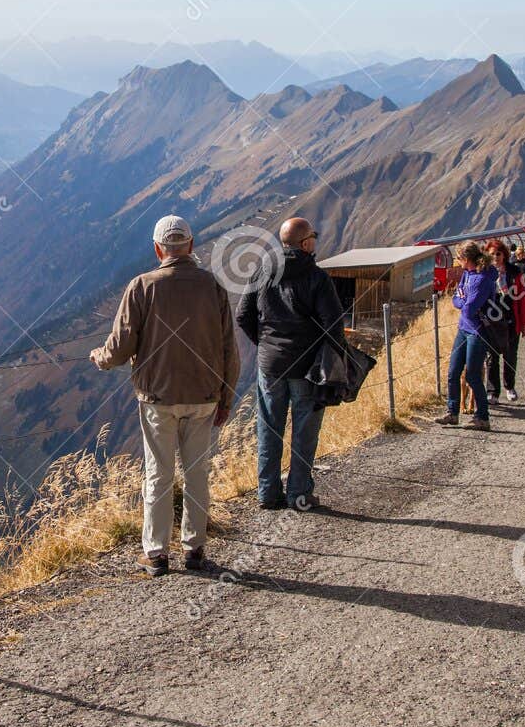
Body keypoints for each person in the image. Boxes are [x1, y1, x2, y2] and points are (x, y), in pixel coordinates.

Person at [93, 215, 239, 576]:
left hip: (158, 397)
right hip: (204, 395)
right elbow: (228, 349)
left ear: (158, 249)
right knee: (197, 472)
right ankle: (194, 549)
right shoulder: (213, 287)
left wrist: (100, 358)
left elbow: (122, 345)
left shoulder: (142, 286)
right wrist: (226, 397)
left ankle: (156, 554)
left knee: (158, 473)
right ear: (190, 246)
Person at [237, 216, 345, 513]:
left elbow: (242, 316)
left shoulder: (262, 271)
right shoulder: (317, 278)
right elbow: (333, 324)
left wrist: (267, 344)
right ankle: (299, 494)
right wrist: (332, 360)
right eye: (314, 236)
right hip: (306, 369)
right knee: (304, 432)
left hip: (270, 366)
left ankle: (267, 494)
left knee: (269, 428)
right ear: (305, 242)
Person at [435, 242, 498, 431]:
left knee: (472, 375)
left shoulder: (482, 278)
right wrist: (463, 299)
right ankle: (452, 412)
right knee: (453, 371)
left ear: (467, 259)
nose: (458, 261)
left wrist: (463, 300)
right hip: (463, 329)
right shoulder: (468, 274)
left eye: (460, 258)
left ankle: (482, 417)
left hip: (478, 331)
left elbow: (469, 309)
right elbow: (457, 298)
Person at [483, 240, 525, 402]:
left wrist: (523, 323)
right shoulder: (484, 272)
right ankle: (493, 392)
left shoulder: (515, 272)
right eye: (492, 254)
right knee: (491, 357)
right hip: (491, 321)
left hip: (510, 319)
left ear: (504, 255)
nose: (496, 257)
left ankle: (510, 386)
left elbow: (522, 299)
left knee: (510, 355)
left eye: (498, 254)